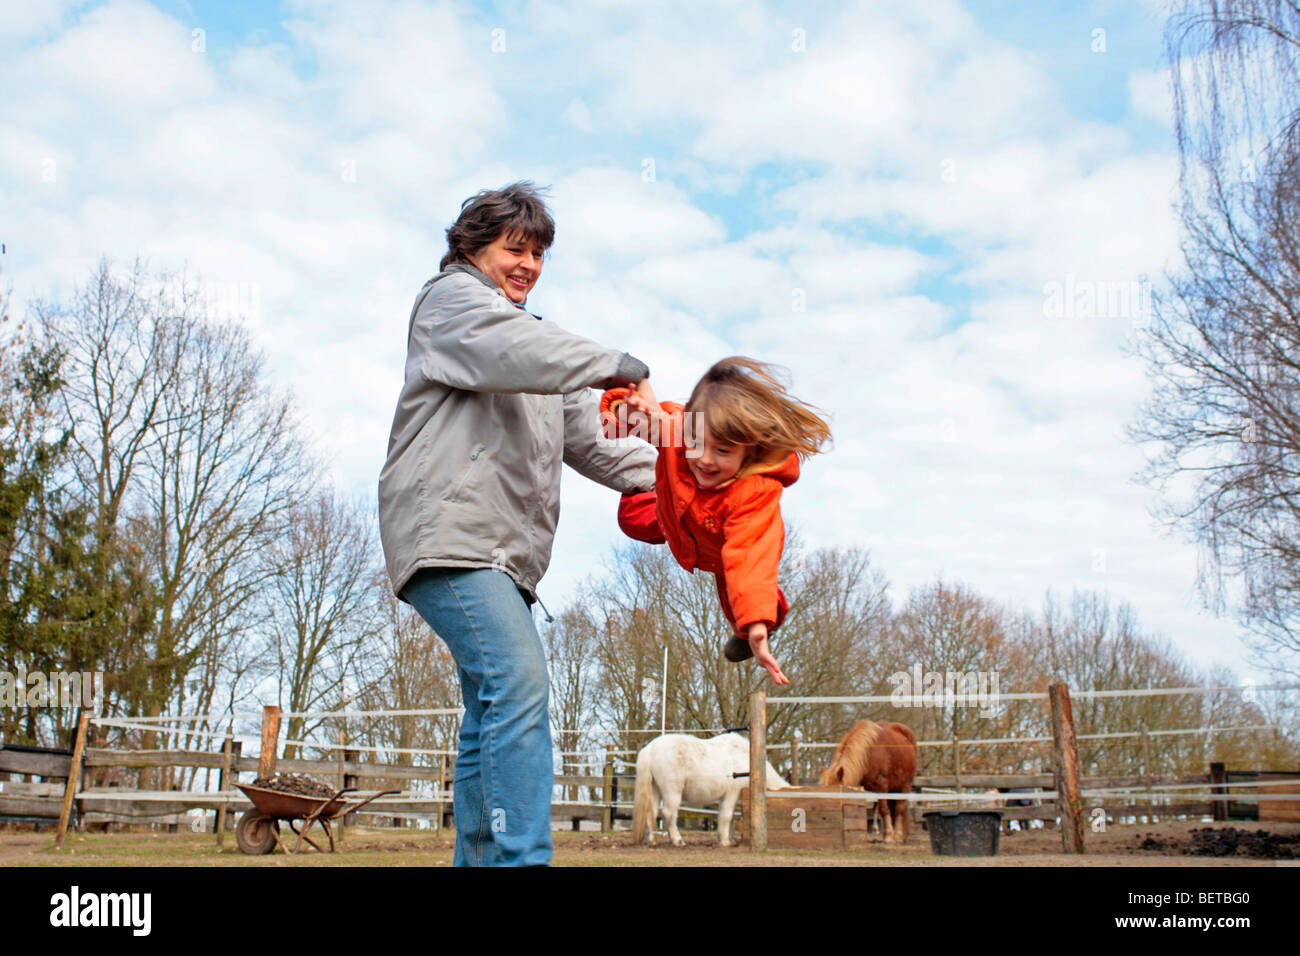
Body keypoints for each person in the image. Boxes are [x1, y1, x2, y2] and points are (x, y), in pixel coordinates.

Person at [378, 182, 657, 866]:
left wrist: (697, 473)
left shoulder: (532, 344)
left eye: (539, 253)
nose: (529, 264)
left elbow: (597, 440)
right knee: (520, 681)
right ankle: (520, 859)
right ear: (472, 248)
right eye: (516, 248)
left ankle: (482, 861)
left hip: (503, 558)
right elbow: (510, 350)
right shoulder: (450, 304)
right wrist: (620, 364)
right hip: (449, 536)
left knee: (490, 712)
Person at [602, 357, 831, 686]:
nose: (706, 460)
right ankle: (665, 514)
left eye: (723, 451)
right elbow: (627, 421)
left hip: (725, 546)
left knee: (740, 603)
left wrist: (756, 628)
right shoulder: (680, 427)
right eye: (696, 445)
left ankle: (770, 614)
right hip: (681, 515)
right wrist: (629, 409)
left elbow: (750, 558)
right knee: (630, 518)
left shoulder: (754, 492)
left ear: (748, 451)